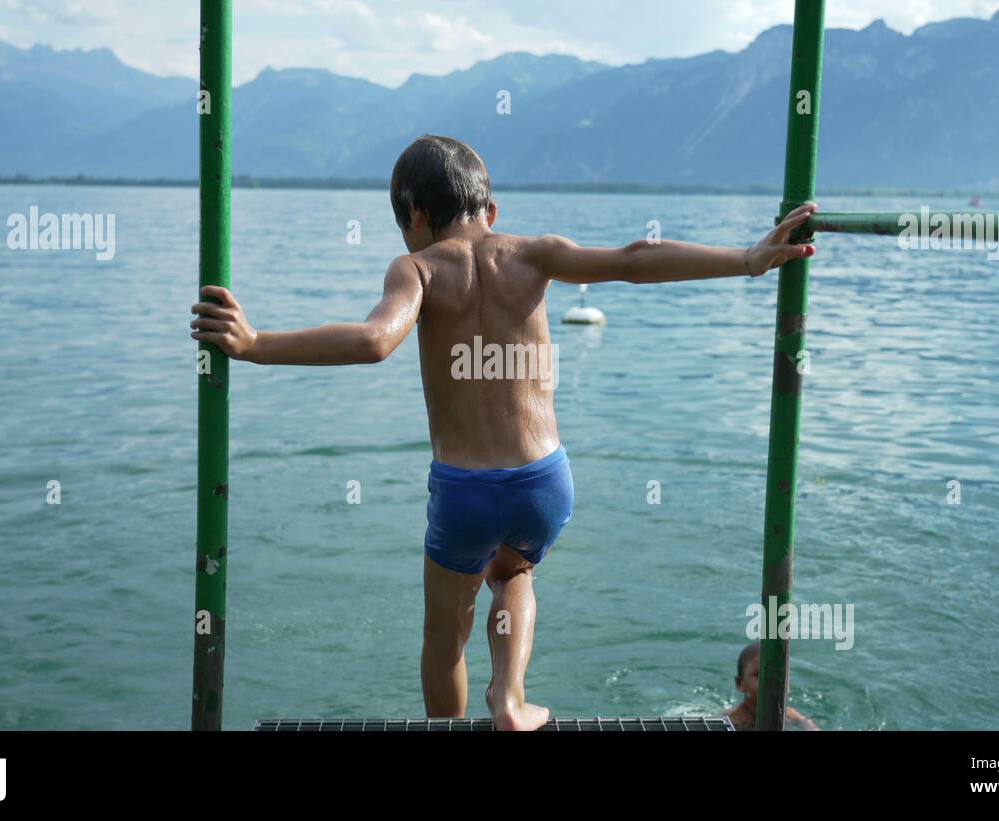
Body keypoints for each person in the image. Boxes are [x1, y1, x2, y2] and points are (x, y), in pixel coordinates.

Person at [189, 134, 817, 730]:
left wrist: (255, 344)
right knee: (514, 576)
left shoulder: (417, 270)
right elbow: (632, 260)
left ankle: (451, 728)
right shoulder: (534, 253)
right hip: (543, 480)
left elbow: (373, 340)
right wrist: (748, 259)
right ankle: (511, 700)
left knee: (445, 633)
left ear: (412, 213)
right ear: (489, 208)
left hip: (464, 489)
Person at [724, 641, 821, 730]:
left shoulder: (789, 715)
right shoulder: (731, 720)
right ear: (740, 683)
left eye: (779, 674)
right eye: (758, 675)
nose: (770, 682)